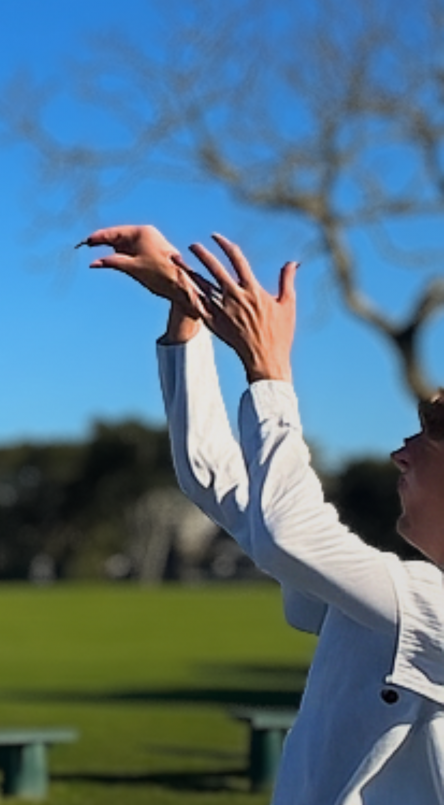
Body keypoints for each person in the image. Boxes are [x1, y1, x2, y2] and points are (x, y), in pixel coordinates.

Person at [83, 225, 444, 802]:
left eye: (427, 437)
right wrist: (187, 308)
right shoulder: (394, 598)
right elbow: (214, 477)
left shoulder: (429, 606)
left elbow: (287, 532)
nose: (398, 453)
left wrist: (268, 368)